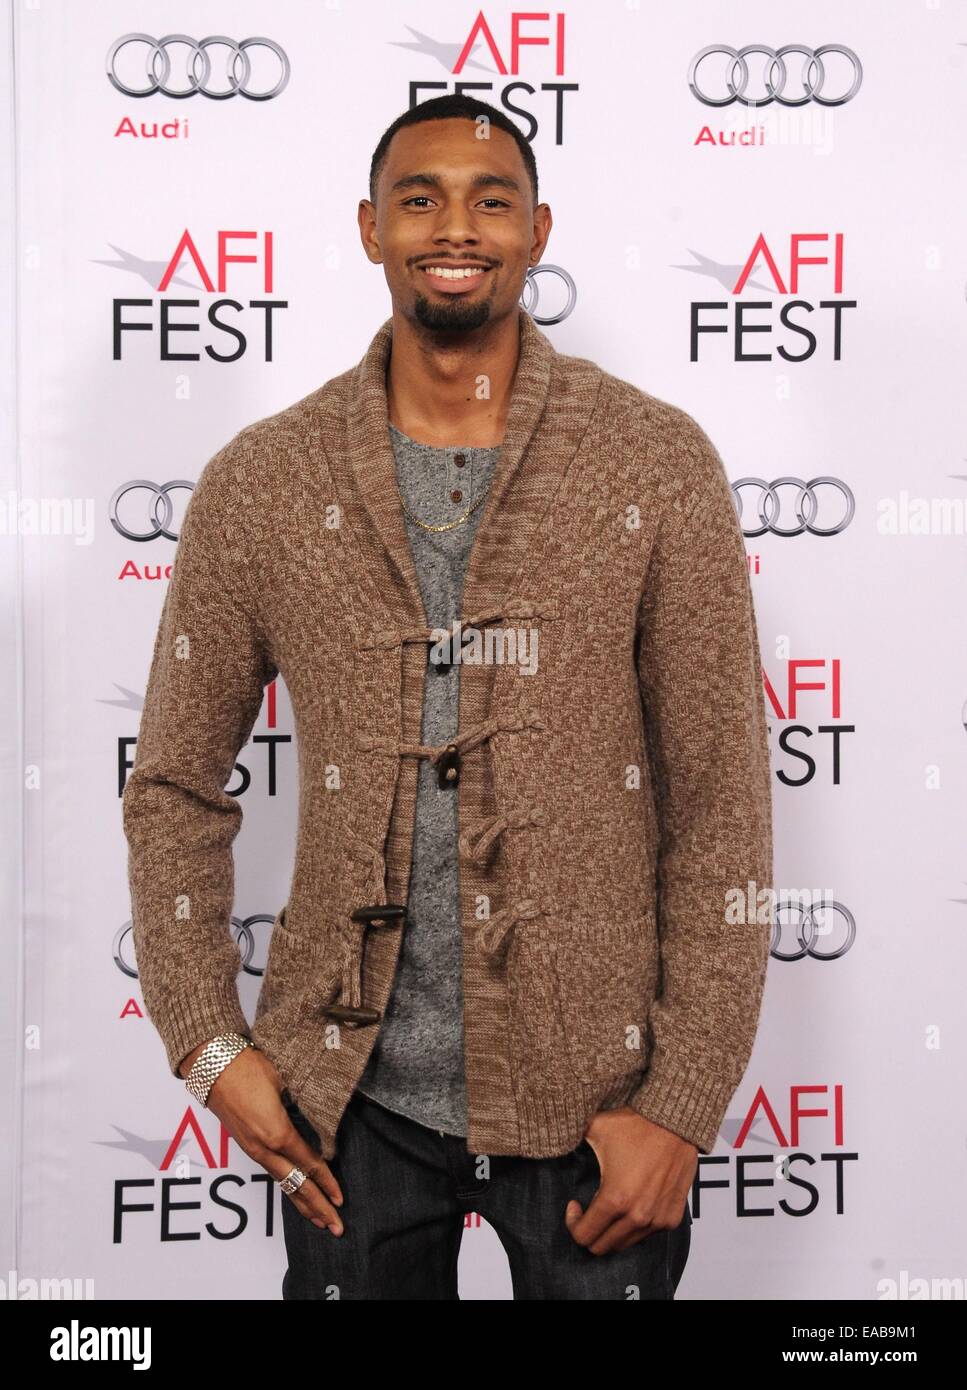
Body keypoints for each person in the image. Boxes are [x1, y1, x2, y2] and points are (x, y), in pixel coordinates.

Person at [122, 94, 773, 1300]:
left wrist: (679, 1105)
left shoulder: (652, 462)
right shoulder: (263, 481)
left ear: (536, 230)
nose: (453, 227)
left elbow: (723, 797)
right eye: (419, 198)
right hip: (344, 1107)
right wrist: (212, 1046)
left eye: (490, 200)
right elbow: (171, 784)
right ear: (370, 228)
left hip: (598, 1107)